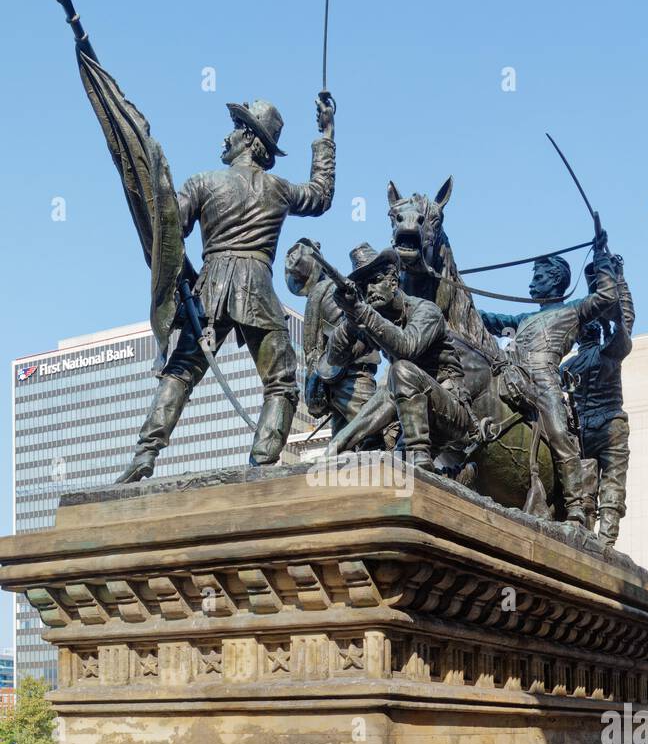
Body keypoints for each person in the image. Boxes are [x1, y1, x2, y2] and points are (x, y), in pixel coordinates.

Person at [116, 94, 335, 481]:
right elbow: (321, 196)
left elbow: (167, 228)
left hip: (210, 289)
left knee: (181, 372)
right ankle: (262, 463)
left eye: (235, 129)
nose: (227, 137)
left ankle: (145, 454)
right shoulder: (279, 189)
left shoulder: (202, 182)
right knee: (282, 381)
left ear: (251, 138)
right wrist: (326, 136)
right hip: (257, 291)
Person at [478, 224, 621, 522]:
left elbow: (607, 297)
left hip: (544, 381)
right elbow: (488, 319)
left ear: (556, 279)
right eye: (533, 276)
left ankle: (576, 507)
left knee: (558, 435)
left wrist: (600, 255)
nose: (533, 282)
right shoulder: (524, 318)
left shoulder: (573, 310)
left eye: (539, 276)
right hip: (513, 375)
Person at [323, 242, 486, 469]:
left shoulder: (426, 311)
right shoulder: (375, 319)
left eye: (376, 280)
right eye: (363, 286)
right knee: (368, 455)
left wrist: (360, 311)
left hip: (453, 415)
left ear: (393, 280)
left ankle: (418, 457)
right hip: (411, 416)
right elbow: (335, 359)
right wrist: (350, 320)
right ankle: (445, 473)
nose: (369, 290)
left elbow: (406, 347)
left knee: (400, 370)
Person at [561, 257, 635, 546]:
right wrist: (618, 276)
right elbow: (625, 320)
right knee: (613, 483)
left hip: (582, 434)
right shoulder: (610, 353)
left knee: (584, 487)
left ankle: (587, 537)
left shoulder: (567, 366)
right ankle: (605, 543)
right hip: (610, 427)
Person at [285, 237, 379, 436]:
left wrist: (316, 381)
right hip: (341, 380)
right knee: (343, 449)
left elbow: (329, 341)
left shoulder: (324, 291)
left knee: (372, 437)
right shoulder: (328, 290)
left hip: (349, 379)